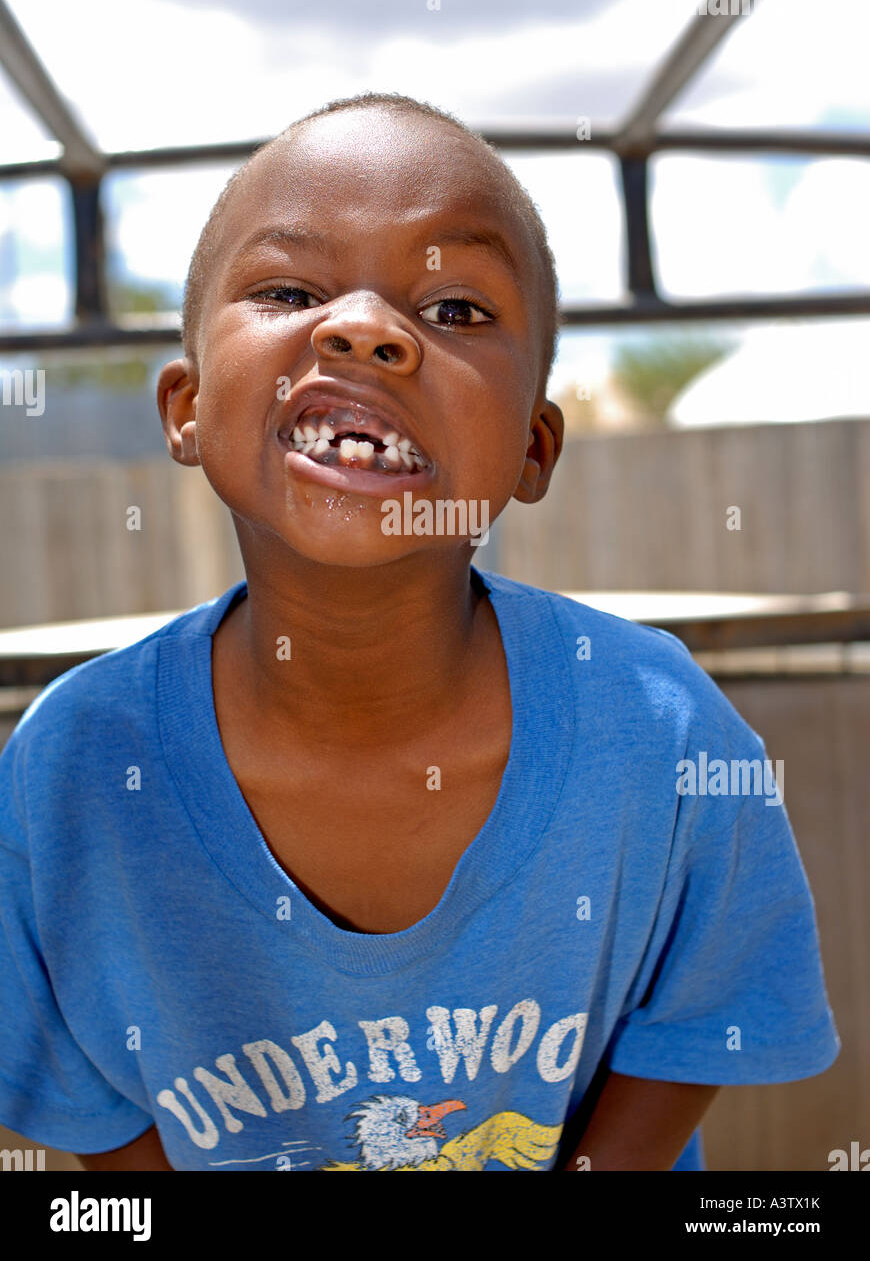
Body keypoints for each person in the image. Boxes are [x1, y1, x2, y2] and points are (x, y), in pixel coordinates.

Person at [0, 92, 839, 1171]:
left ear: (535, 447)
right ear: (187, 408)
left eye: (453, 310)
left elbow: (707, 1005)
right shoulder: (73, 775)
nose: (363, 327)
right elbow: (103, 1131)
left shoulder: (662, 731)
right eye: (291, 288)